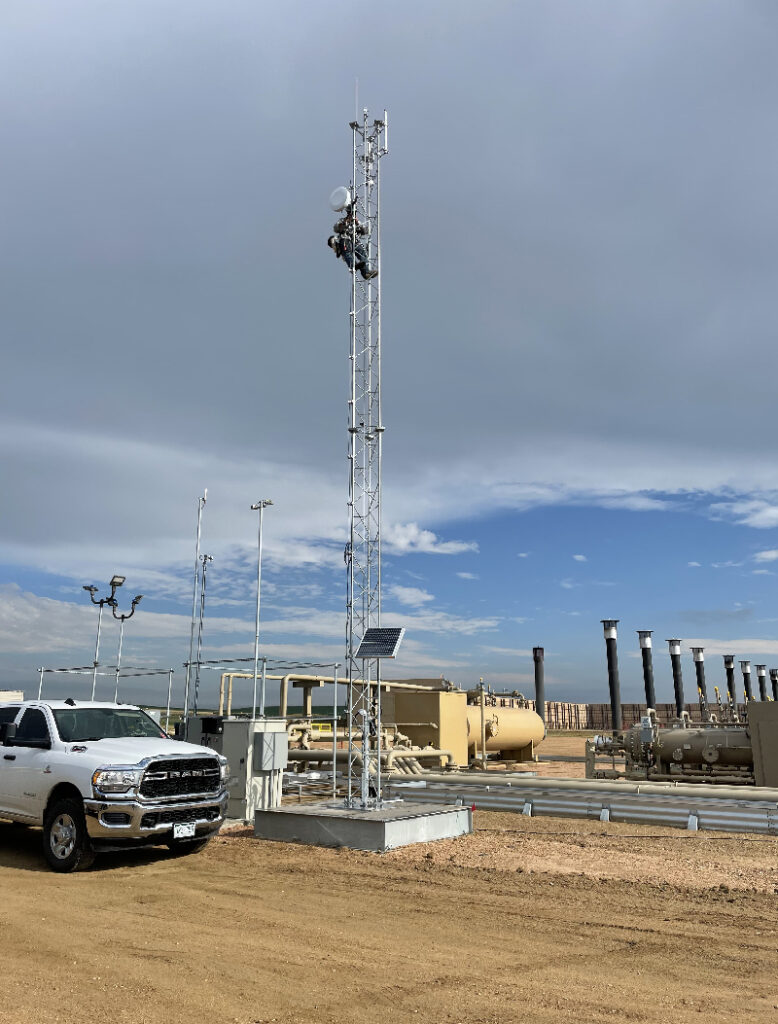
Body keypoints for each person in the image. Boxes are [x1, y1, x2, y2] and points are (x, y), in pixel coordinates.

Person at [327, 206, 378, 280]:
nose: (351, 215)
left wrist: (358, 225)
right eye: (350, 213)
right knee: (347, 251)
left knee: (363, 253)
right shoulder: (342, 221)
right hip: (345, 239)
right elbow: (336, 228)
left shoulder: (357, 222)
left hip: (354, 240)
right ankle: (353, 265)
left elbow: (366, 231)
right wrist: (345, 223)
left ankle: (366, 272)